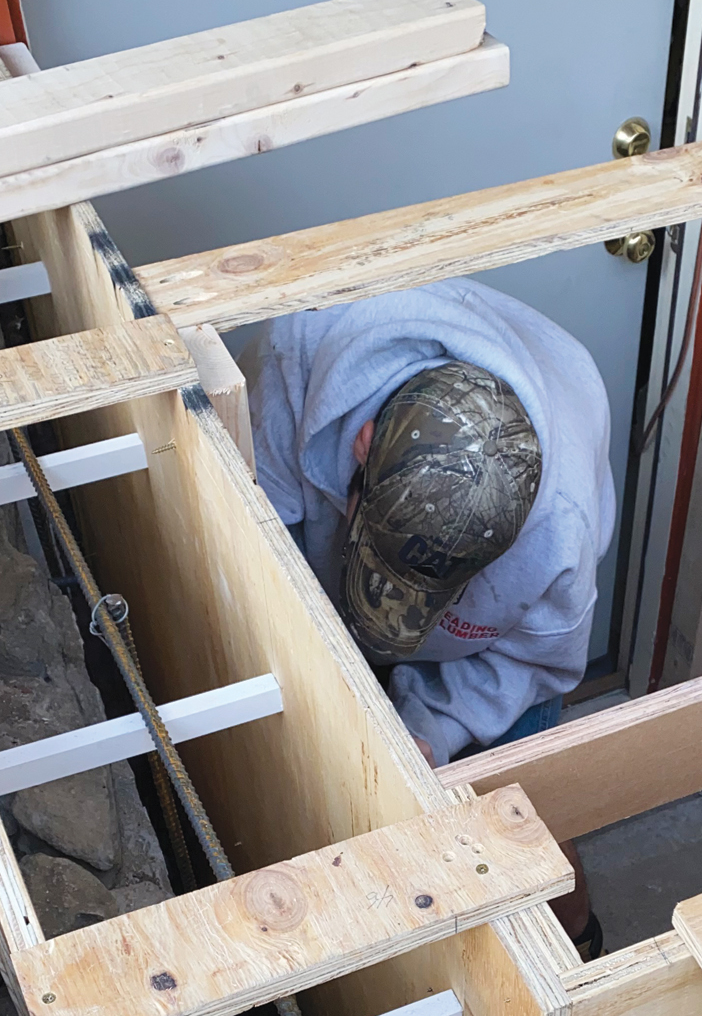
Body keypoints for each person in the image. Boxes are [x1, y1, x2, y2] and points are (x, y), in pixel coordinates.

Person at [248, 277, 615, 952]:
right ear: (362, 444)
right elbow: (259, 556)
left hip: (498, 661)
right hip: (328, 619)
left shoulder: (560, 531)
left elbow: (532, 664)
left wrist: (433, 731)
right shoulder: (297, 353)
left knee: (529, 831)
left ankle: (579, 942)